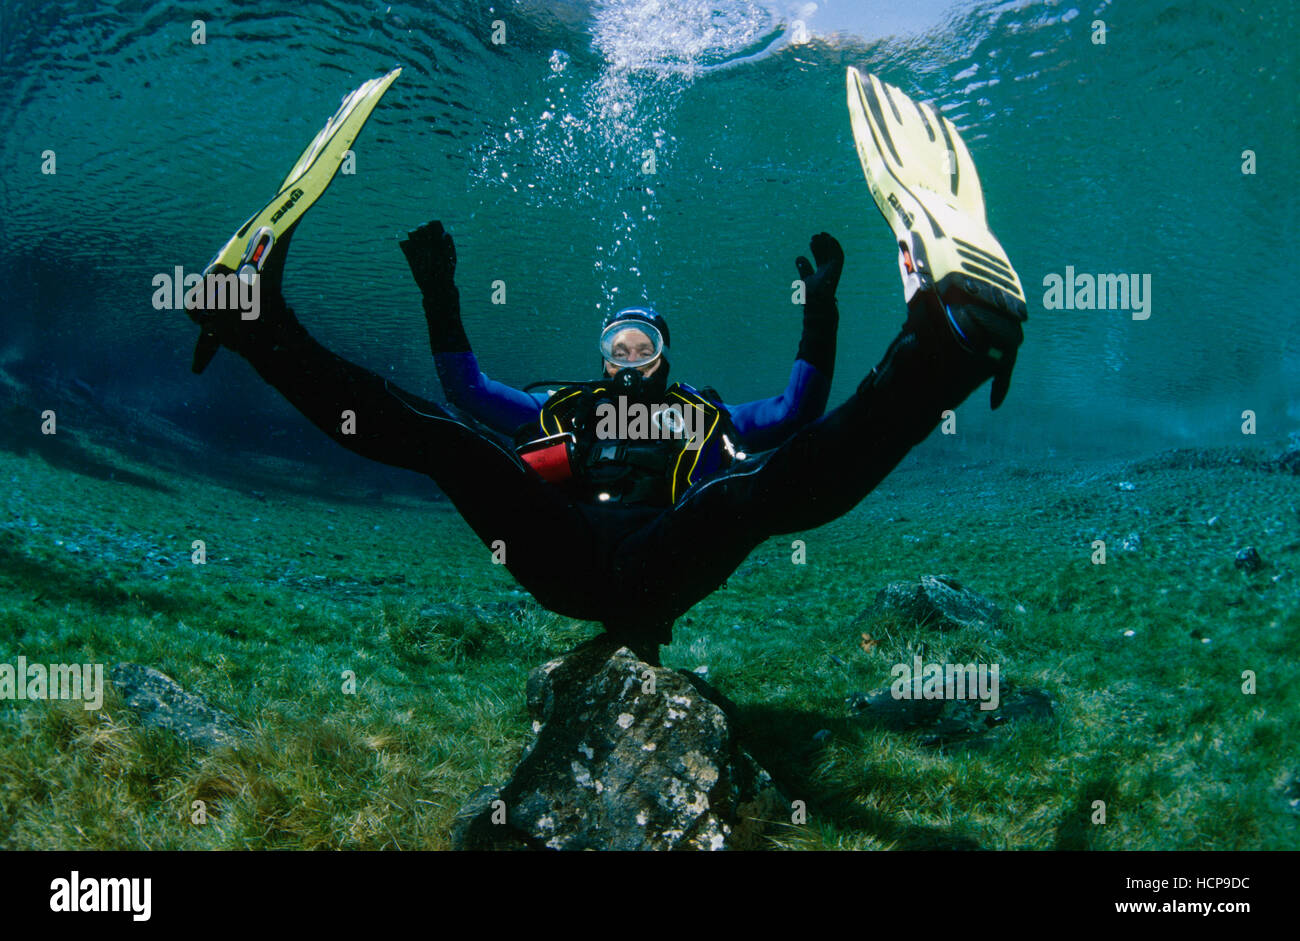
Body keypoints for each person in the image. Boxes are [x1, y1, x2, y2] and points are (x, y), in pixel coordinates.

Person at [186, 70, 1027, 665]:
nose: (627, 359)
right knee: (447, 442)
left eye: (642, 346)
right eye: (615, 346)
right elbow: (466, 394)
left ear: (666, 352)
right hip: (565, 561)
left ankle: (944, 347)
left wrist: (822, 310)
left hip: (666, 564)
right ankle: (256, 324)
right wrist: (441, 294)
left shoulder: (702, 412)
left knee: (760, 490)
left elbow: (802, 407)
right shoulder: (570, 406)